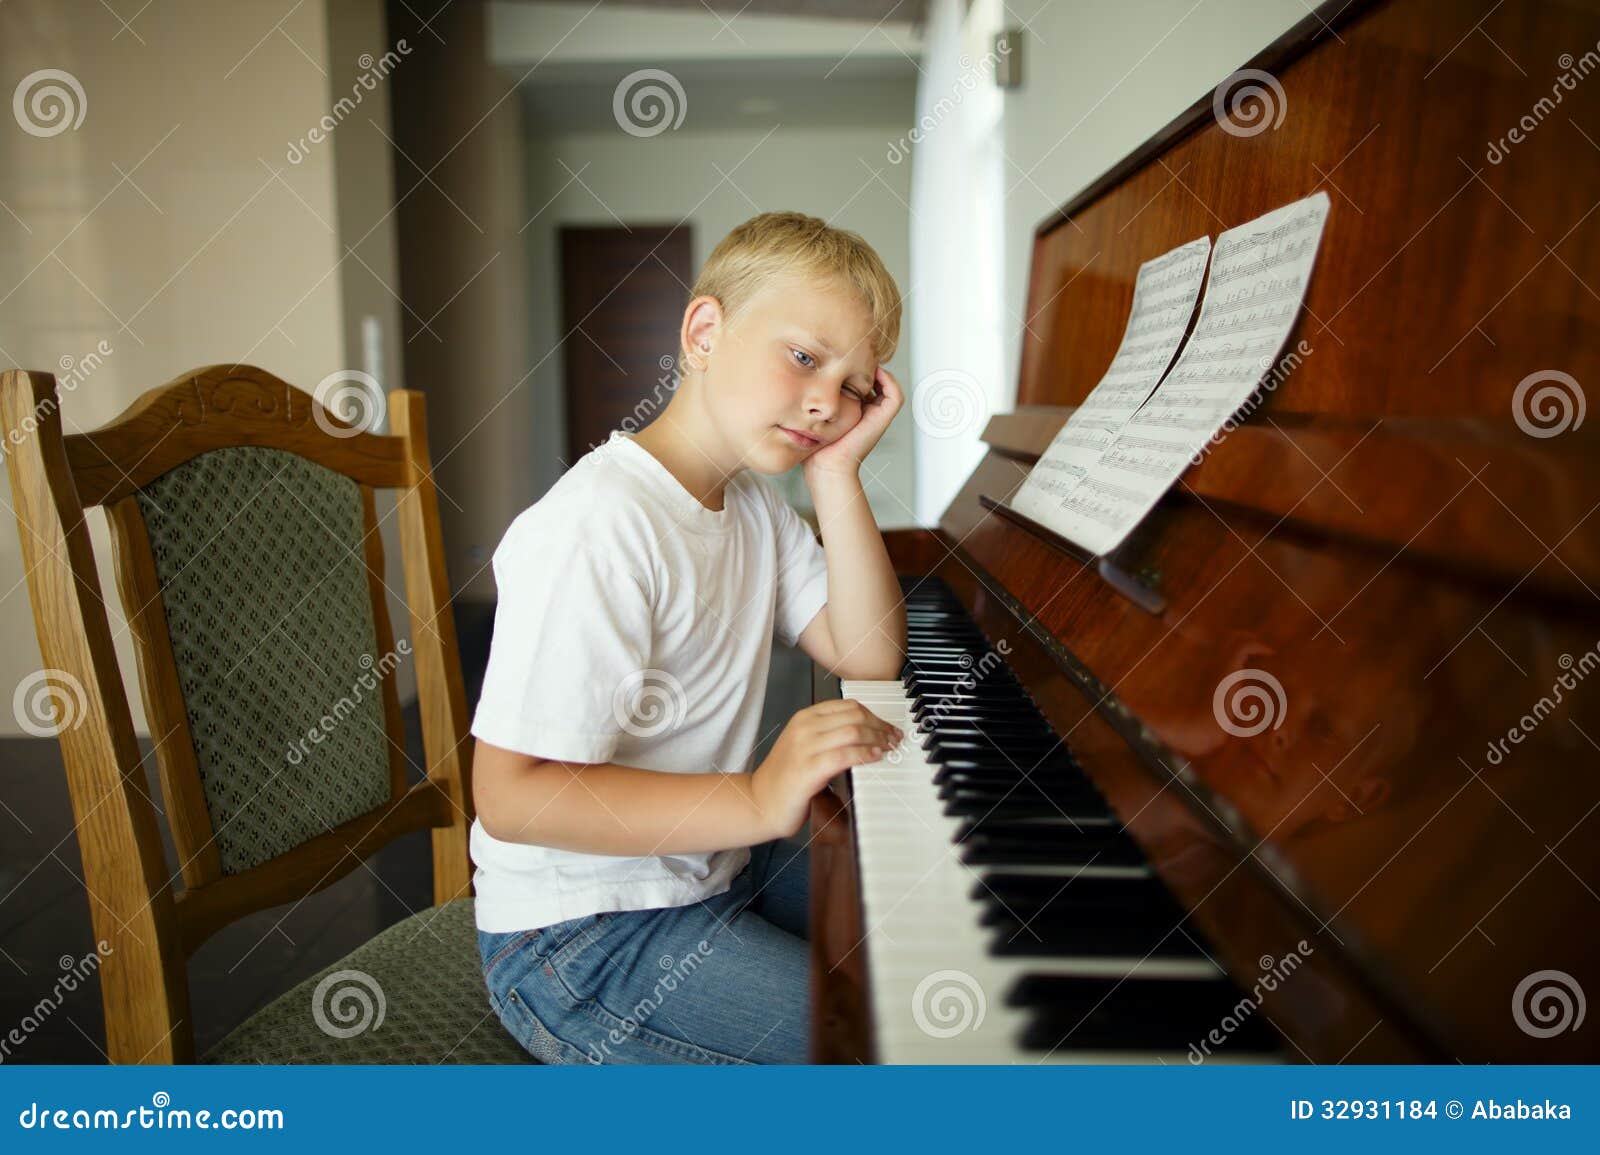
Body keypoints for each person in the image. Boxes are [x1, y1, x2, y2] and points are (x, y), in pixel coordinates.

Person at [470, 210, 909, 1064]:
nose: (830, 400)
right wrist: (753, 798)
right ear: (705, 332)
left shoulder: (753, 506)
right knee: (872, 1051)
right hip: (580, 942)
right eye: (807, 357)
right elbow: (512, 796)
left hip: (706, 875)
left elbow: (869, 650)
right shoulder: (599, 525)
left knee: (912, 913)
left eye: (857, 385)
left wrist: (837, 472)